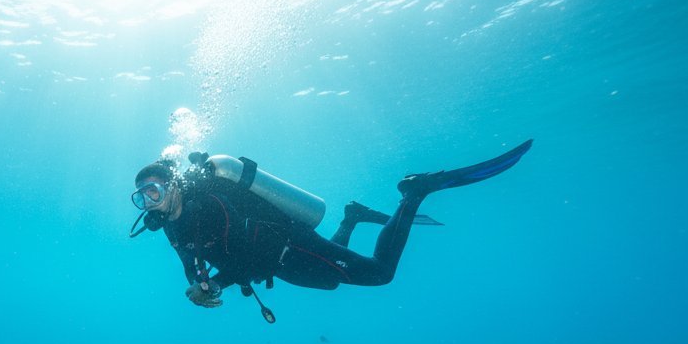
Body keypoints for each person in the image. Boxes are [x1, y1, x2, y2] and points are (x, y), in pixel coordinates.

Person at [129, 140, 532, 321]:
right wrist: (199, 285)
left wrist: (216, 284)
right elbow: (192, 262)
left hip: (290, 248)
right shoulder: (171, 224)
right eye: (142, 196)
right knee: (331, 283)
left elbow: (244, 256)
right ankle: (352, 217)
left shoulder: (210, 205)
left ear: (174, 184)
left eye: (154, 190)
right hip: (281, 267)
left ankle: (413, 193)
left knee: (379, 274)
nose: (149, 201)